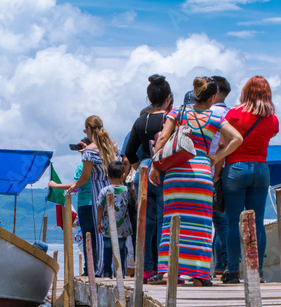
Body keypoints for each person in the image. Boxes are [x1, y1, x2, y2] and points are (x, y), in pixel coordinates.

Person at [149, 76, 242, 287]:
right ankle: (200, 276)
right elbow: (237, 138)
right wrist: (217, 158)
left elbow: (162, 139)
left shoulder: (179, 112)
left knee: (172, 221)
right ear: (214, 97)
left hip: (176, 171)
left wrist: (156, 164)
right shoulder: (216, 118)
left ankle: (168, 272)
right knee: (200, 224)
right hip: (201, 172)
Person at [221, 75, 279, 284]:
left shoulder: (234, 114)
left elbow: (223, 142)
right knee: (258, 224)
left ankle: (233, 271)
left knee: (234, 222)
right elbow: (270, 135)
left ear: (245, 92)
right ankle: (258, 271)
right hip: (261, 170)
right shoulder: (272, 119)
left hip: (235, 168)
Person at [55, 116, 119, 276]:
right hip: (112, 189)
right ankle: (113, 268)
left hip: (98, 190)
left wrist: (74, 187)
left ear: (89, 130)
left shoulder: (90, 151)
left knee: (98, 233)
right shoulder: (113, 147)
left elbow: (84, 177)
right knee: (111, 230)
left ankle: (98, 269)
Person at [124, 74, 172, 281]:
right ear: (168, 97)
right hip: (164, 172)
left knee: (145, 223)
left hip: (142, 174)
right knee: (164, 221)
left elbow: (129, 151)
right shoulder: (171, 120)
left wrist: (141, 166)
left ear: (149, 97)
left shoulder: (140, 121)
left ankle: (145, 269)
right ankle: (163, 269)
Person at [207, 75, 232, 277]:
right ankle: (222, 263)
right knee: (223, 220)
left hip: (210, 168)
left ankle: (220, 263)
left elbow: (220, 144)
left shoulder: (208, 114)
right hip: (227, 169)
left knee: (216, 221)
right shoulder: (232, 114)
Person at [95, 160, 133, 276]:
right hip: (123, 227)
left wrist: (98, 222)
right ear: (123, 176)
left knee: (107, 248)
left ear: (107, 176)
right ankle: (119, 272)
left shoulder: (104, 191)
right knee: (121, 249)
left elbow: (100, 207)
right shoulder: (126, 191)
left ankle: (107, 272)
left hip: (107, 225)